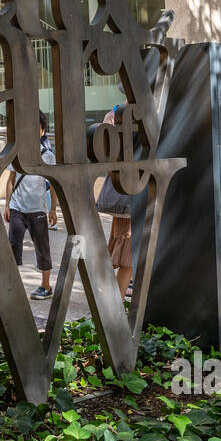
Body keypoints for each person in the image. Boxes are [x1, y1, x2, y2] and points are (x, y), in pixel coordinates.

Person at [2, 111, 58, 300]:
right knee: (13, 245)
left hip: (38, 210)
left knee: (43, 248)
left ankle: (46, 286)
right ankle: (12, 285)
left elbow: (54, 185)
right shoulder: (17, 154)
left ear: (42, 132)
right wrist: (8, 205)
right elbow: (10, 180)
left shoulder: (48, 156)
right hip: (18, 208)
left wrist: (53, 210)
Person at [96, 105, 134, 299]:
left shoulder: (113, 114)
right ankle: (115, 301)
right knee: (126, 253)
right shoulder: (115, 115)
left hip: (130, 194)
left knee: (122, 250)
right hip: (130, 196)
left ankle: (111, 298)